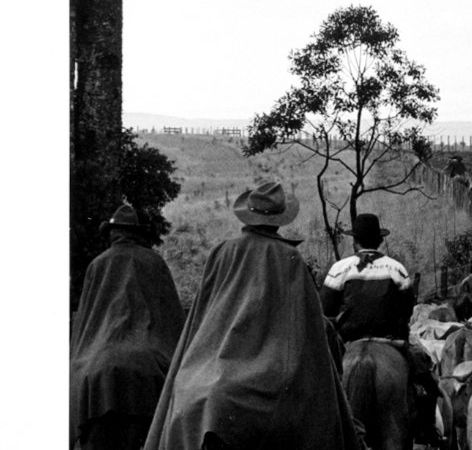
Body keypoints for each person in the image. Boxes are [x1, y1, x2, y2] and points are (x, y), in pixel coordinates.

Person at [145, 182, 362, 450]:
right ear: (279, 219)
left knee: (182, 391)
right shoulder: (290, 258)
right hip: (270, 379)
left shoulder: (222, 251)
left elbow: (200, 317)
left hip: (205, 379)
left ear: (247, 214)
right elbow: (308, 328)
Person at [72, 204, 185, 450]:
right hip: (147, 374)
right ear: (137, 233)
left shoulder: (97, 265)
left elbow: (84, 327)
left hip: (97, 377)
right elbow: (174, 322)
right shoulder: (154, 262)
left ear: (112, 233)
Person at [321, 213, 440, 444]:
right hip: (391, 341)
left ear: (355, 241)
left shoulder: (339, 269)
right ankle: (427, 430)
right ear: (380, 241)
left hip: (348, 344)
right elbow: (407, 309)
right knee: (426, 381)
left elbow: (325, 311)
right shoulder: (397, 269)